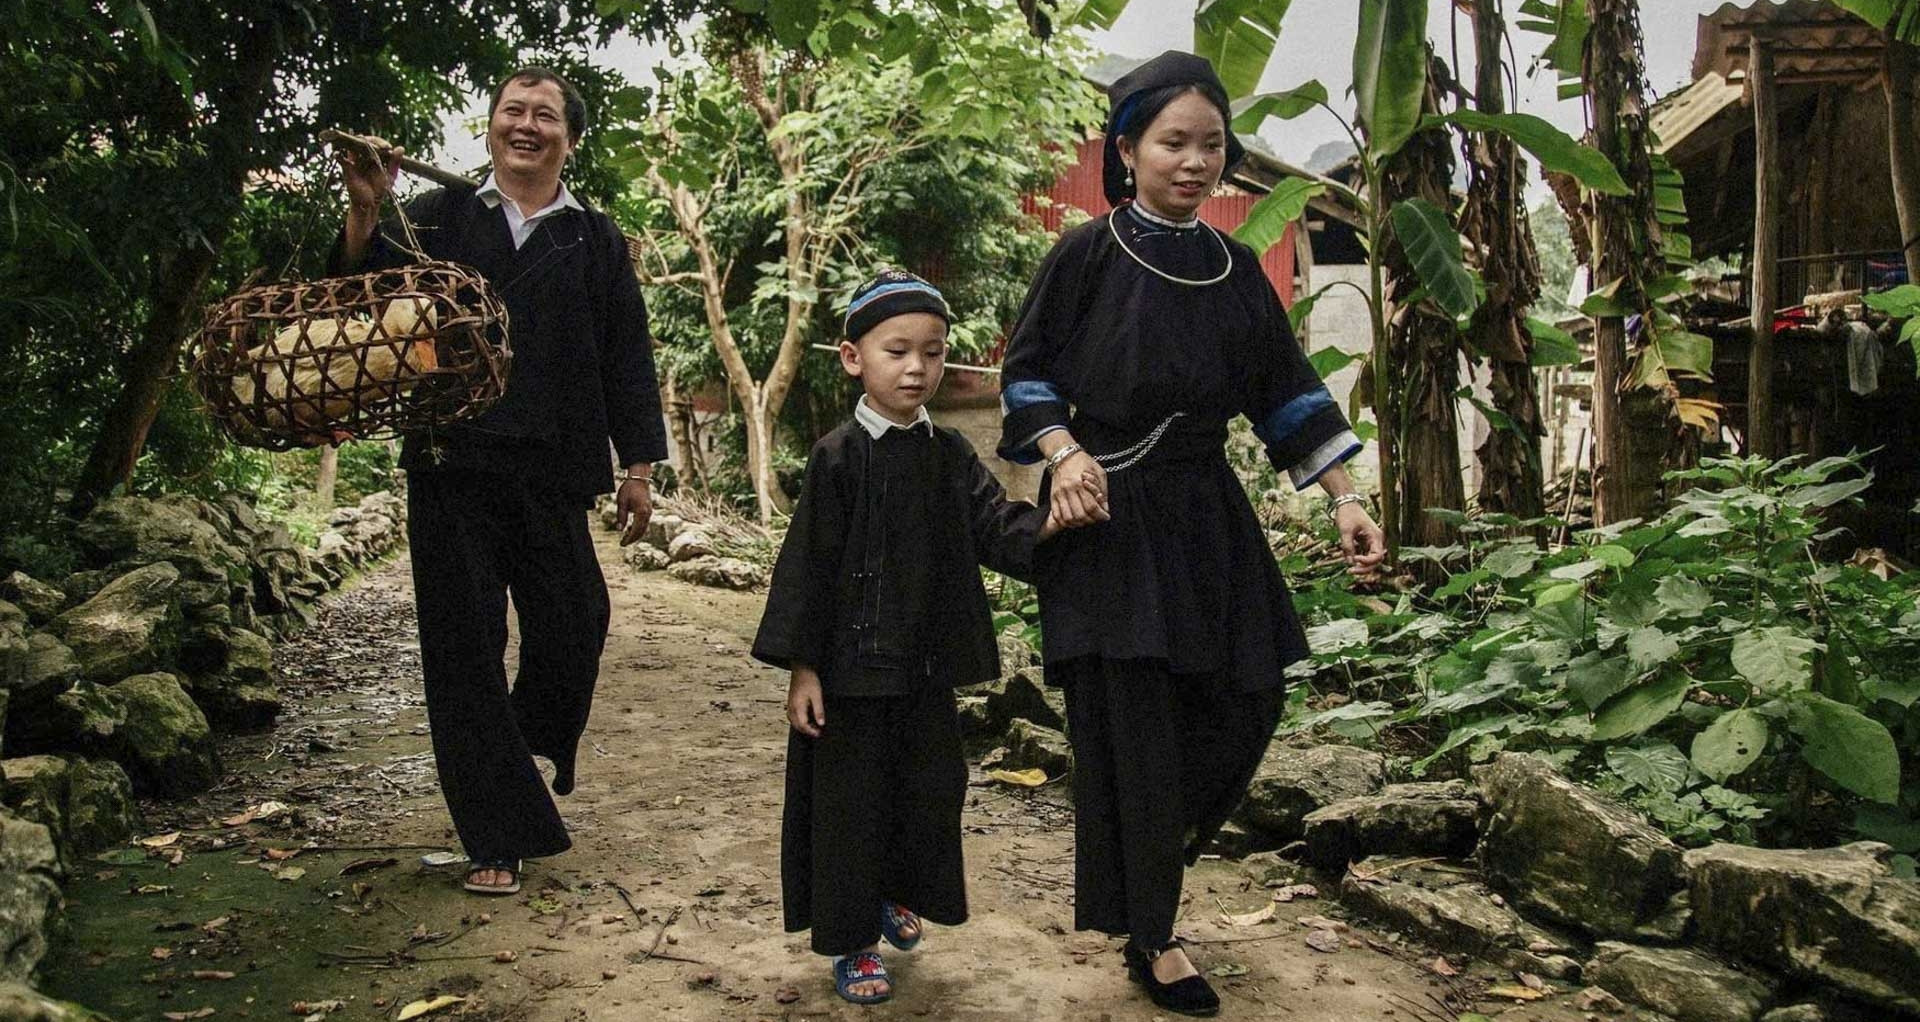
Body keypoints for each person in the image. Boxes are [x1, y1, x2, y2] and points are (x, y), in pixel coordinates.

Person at [996, 51, 1387, 1017]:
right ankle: (1157, 937)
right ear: (1125, 151)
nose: (1194, 161)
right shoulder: (1086, 255)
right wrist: (1063, 450)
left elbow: (1287, 394)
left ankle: (1147, 858)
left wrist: (1345, 494)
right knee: (1137, 732)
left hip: (1205, 512)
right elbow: (1027, 370)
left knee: (1250, 695)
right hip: (1106, 514)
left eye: (1211, 145)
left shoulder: (1236, 269)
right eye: (1173, 142)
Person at [332, 66, 666, 896]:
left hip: (554, 467)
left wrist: (639, 467)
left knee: (574, 622)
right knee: (465, 647)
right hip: (453, 460)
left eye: (543, 115)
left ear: (569, 138)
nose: (526, 125)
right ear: (488, 129)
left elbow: (628, 352)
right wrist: (369, 205)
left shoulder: (592, 237)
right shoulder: (439, 217)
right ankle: (495, 832)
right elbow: (353, 296)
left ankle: (506, 755)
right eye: (511, 111)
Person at [752, 270, 1063, 1005]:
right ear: (853, 357)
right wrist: (804, 669)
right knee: (849, 808)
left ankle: (895, 893)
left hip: (925, 671)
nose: (917, 367)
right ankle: (854, 941)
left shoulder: (950, 455)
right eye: (897, 350)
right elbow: (807, 571)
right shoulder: (836, 458)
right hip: (850, 677)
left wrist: (1057, 523)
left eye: (933, 351)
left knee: (928, 793)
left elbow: (999, 529)